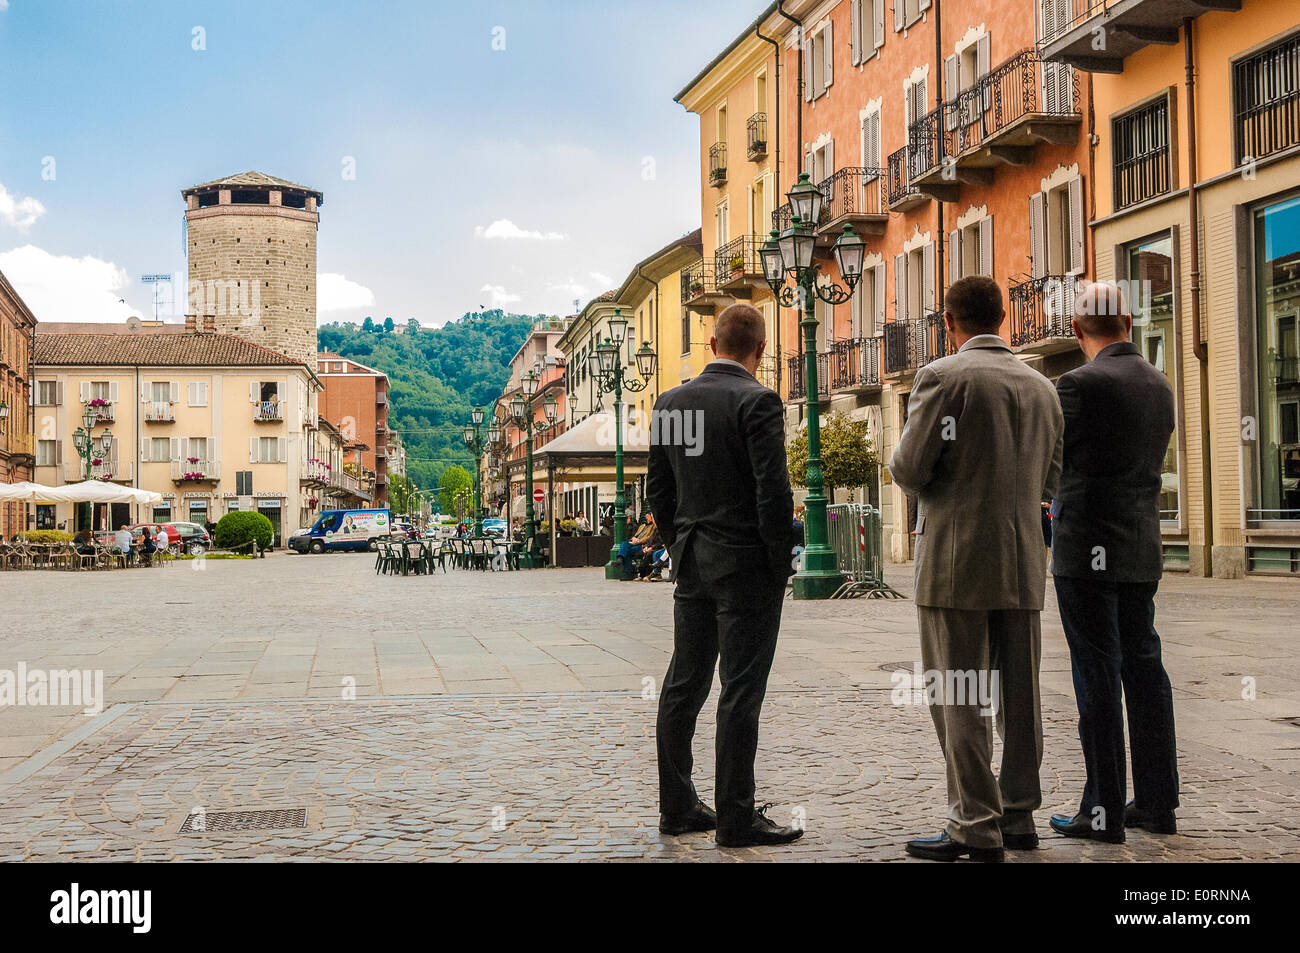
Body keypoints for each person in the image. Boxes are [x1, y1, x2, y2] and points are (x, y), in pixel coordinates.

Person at [889, 276, 1063, 863]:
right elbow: (1055, 479)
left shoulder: (942, 376)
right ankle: (1020, 815)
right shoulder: (1041, 386)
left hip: (955, 561)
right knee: (1021, 693)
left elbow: (910, 469)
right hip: (1022, 561)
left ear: (949, 321)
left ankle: (975, 823)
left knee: (959, 693)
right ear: (1004, 317)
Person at [648, 302, 802, 849]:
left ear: (712, 346)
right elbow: (772, 493)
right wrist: (779, 560)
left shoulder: (671, 402)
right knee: (740, 690)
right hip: (745, 567)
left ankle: (678, 806)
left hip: (692, 562)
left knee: (682, 686)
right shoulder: (758, 401)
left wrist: (680, 544)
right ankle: (736, 817)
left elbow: (658, 495)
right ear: (761, 350)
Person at [1048, 281, 1180, 843]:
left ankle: (1099, 812)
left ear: (1079, 331)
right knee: (1145, 669)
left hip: (1086, 549)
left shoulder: (1076, 384)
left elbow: (1051, 464)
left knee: (1095, 673)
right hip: (1140, 548)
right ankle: (1156, 803)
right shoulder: (1160, 382)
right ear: (1127, 322)